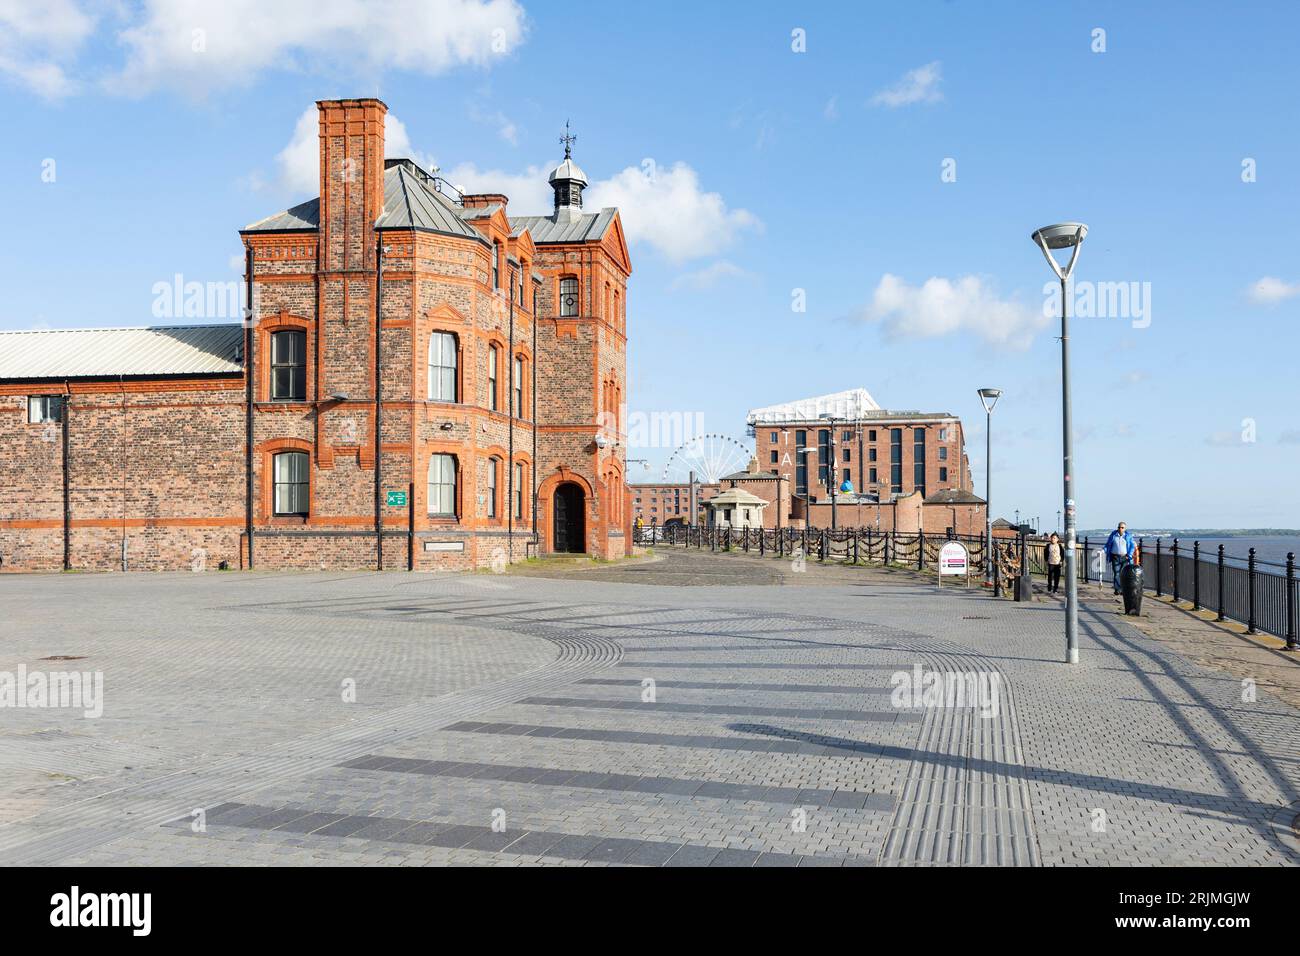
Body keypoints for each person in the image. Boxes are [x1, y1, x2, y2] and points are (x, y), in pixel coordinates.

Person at [1104, 521, 1136, 596]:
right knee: (1116, 573)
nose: (1120, 529)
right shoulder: (1113, 535)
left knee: (1122, 573)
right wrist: (1103, 550)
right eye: (1119, 527)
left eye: (1122, 527)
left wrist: (1129, 555)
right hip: (1115, 556)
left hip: (1124, 557)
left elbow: (1132, 546)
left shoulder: (1128, 536)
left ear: (1125, 528)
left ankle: (1122, 589)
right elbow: (1108, 545)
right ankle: (1117, 589)